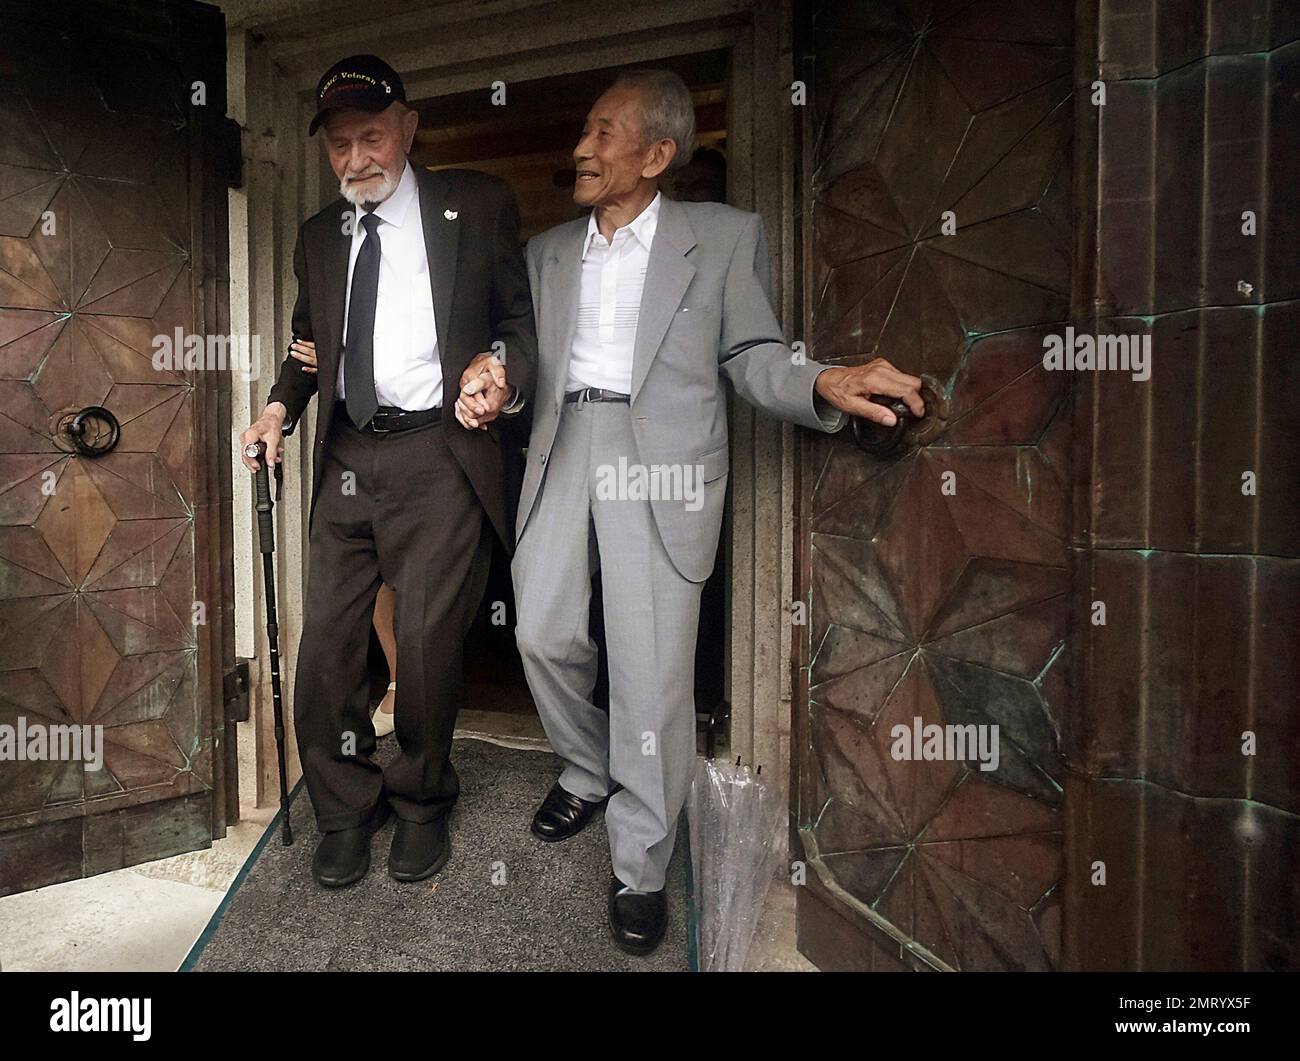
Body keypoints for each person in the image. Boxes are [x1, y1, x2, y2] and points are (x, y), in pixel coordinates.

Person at [511, 68, 924, 954]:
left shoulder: (725, 237)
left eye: (605, 133)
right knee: (542, 630)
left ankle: (641, 862)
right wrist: (490, 380)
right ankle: (586, 767)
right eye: (584, 130)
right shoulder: (545, 251)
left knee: (651, 662)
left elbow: (752, 351)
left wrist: (822, 379)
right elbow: (521, 359)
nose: (583, 147)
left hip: (657, 455)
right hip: (563, 442)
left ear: (658, 154)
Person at [238, 54, 535, 889]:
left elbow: (517, 321)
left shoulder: (475, 206)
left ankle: (421, 800)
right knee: (328, 647)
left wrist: (501, 371)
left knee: (431, 647)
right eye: (339, 145)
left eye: (371, 136)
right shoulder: (316, 236)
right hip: (346, 454)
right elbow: (309, 347)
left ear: (408, 127)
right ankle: (344, 807)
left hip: (440, 451)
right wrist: (276, 409)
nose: (356, 158)